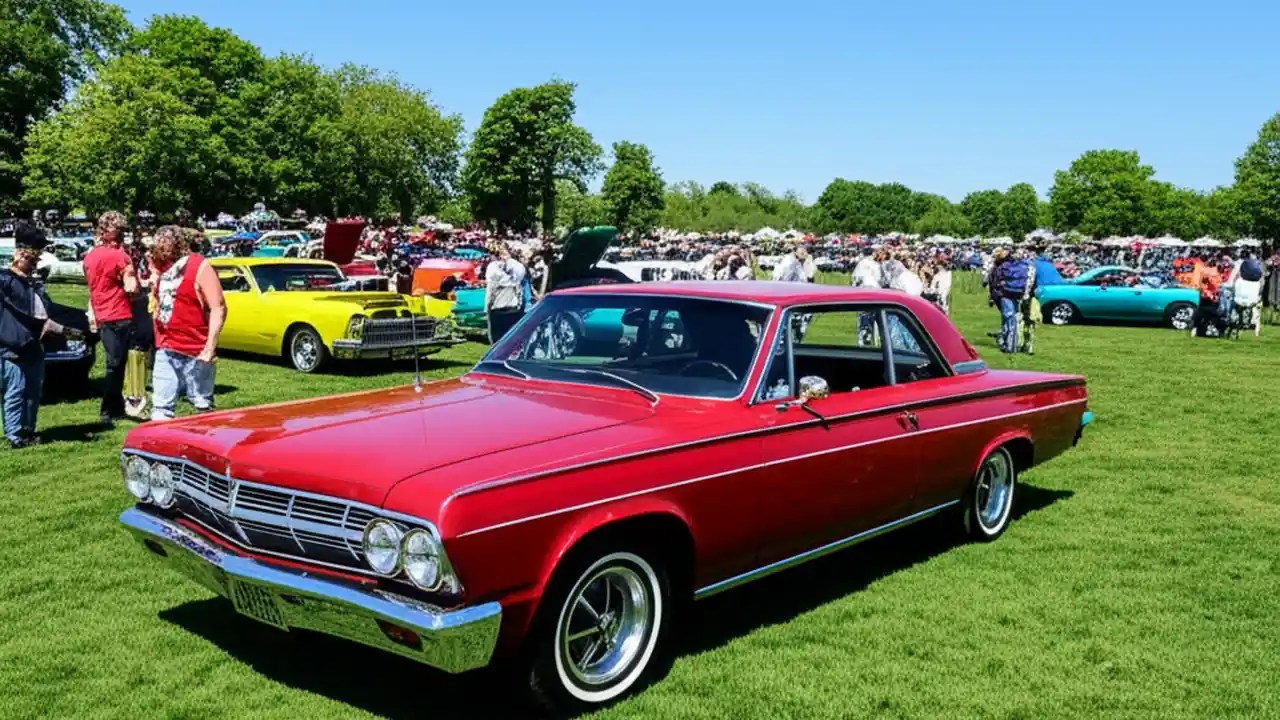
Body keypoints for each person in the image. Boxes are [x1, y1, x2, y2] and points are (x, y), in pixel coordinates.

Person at [149, 226, 226, 421]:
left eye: (163, 246)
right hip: (166, 346)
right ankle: (162, 446)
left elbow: (219, 307)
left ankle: (205, 445)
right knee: (161, 407)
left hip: (195, 350)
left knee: (201, 404)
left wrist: (210, 348)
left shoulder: (199, 266)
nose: (159, 251)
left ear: (176, 245)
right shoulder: (161, 266)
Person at [0, 223, 66, 447]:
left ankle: (29, 430)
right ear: (19, 256)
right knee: (15, 392)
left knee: (33, 392)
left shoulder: (35, 283)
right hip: (13, 345)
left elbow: (44, 308)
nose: (33, 265)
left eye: (36, 261)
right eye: (31, 260)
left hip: (34, 344)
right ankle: (15, 435)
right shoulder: (6, 281)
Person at [84, 211, 139, 426]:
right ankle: (107, 409)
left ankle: (115, 407)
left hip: (101, 314)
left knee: (115, 363)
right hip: (120, 313)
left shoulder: (89, 257)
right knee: (116, 364)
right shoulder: (120, 257)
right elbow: (131, 287)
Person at [485, 244, 527, 343]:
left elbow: (490, 288)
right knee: (513, 337)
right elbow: (520, 284)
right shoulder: (518, 266)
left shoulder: (493, 267)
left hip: (498, 307)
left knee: (497, 339)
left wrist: (486, 308)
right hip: (514, 306)